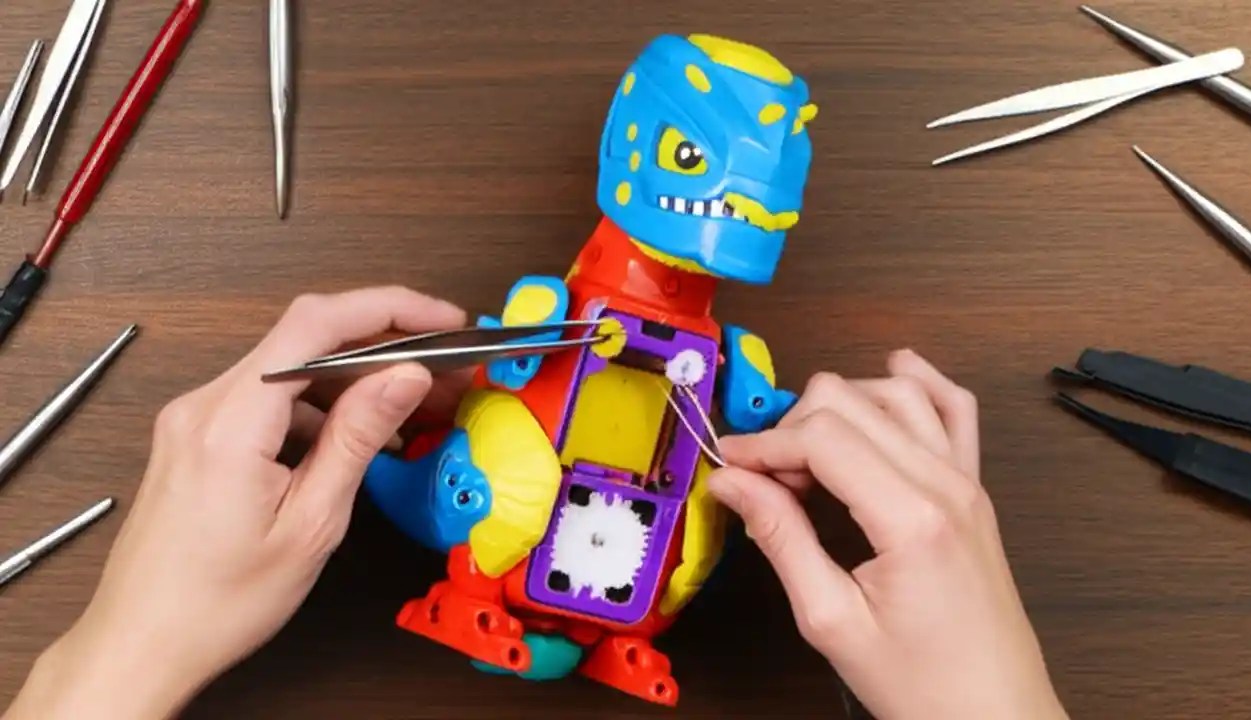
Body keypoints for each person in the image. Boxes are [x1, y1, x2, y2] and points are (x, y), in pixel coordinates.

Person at [1, 287, 1069, 720]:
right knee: (501, 496)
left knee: (670, 554)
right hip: (497, 514)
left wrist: (106, 668)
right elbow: (519, 350)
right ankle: (493, 604)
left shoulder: (717, 341)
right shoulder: (555, 309)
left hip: (644, 550)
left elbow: (746, 404)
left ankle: (602, 635)